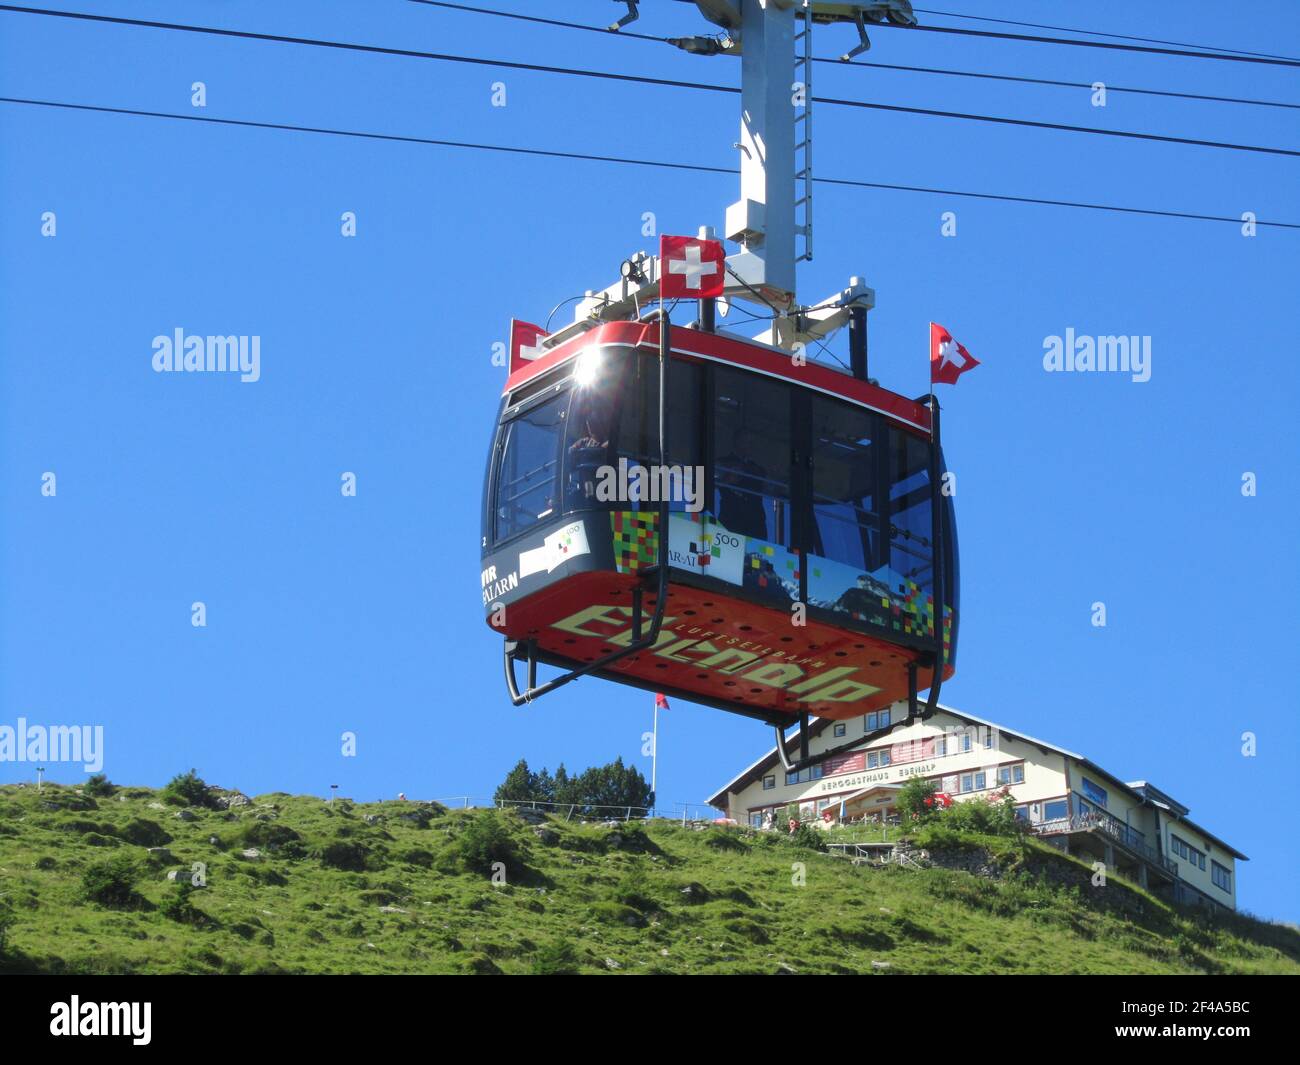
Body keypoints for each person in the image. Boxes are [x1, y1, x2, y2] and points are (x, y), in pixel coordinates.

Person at [716, 427, 769, 539]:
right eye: (745, 441)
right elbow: (715, 482)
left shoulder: (758, 470)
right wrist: (728, 479)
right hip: (732, 519)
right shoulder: (723, 462)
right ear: (737, 441)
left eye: (750, 442)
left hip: (755, 524)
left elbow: (767, 489)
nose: (749, 445)